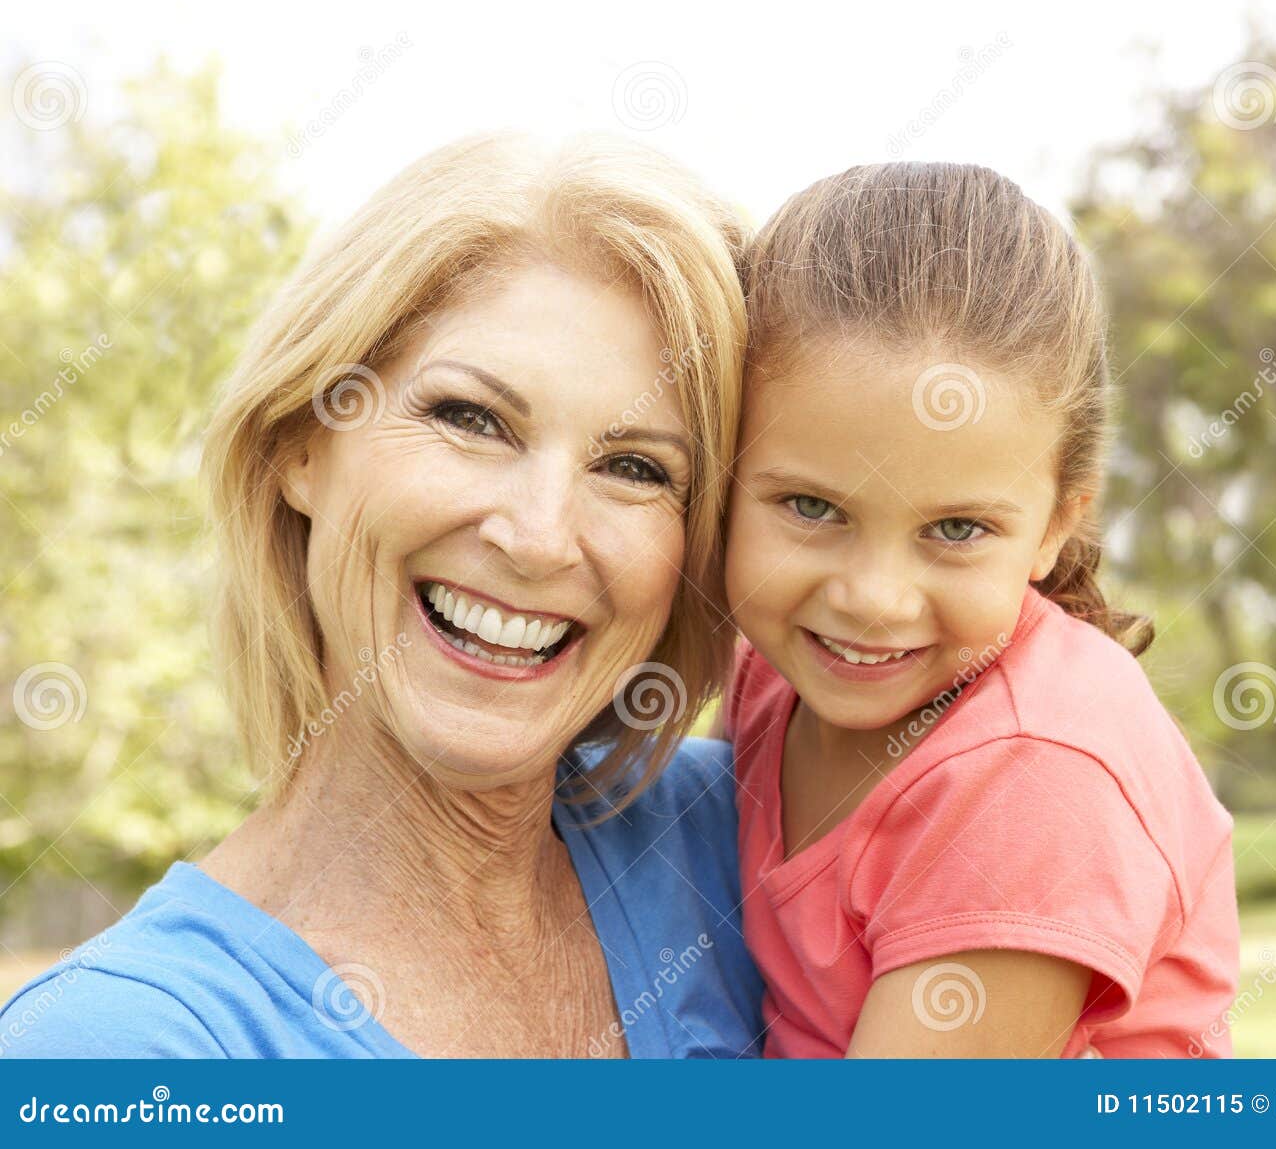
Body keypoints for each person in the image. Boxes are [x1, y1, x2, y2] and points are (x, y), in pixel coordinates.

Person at [0, 133, 763, 1059]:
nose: (538, 535)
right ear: (300, 446)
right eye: (470, 418)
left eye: (635, 467)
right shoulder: (116, 1051)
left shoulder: (750, 839)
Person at [719, 162, 1240, 1057]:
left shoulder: (1038, 773)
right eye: (811, 508)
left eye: (955, 528)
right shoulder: (768, 670)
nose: (871, 600)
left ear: (1053, 528)